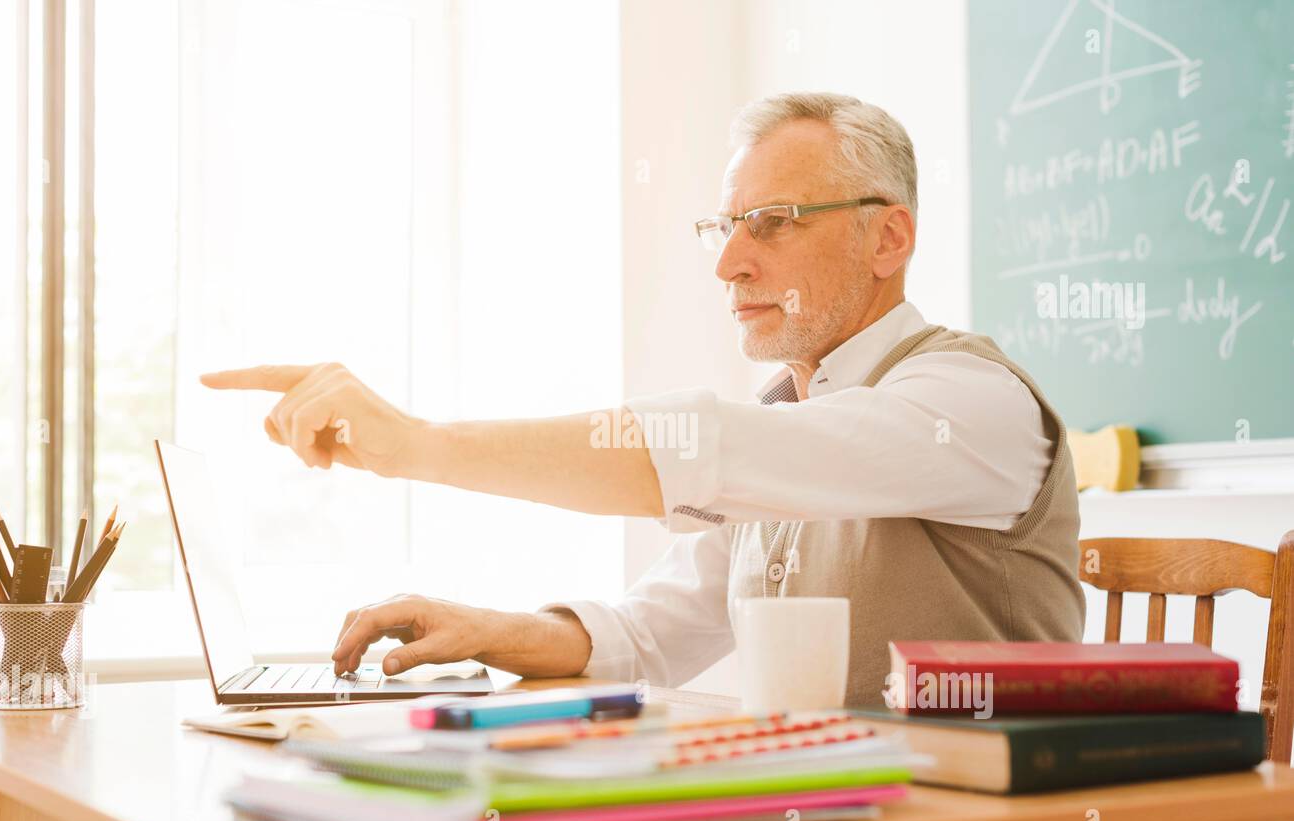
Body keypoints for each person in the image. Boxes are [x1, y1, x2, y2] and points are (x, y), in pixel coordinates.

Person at [201, 92, 1084, 708]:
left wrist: (418, 444)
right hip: (842, 819)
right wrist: (484, 629)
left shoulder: (968, 402)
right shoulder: (789, 421)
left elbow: (702, 444)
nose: (728, 262)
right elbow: (653, 633)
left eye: (773, 221)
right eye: (723, 226)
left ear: (888, 235)